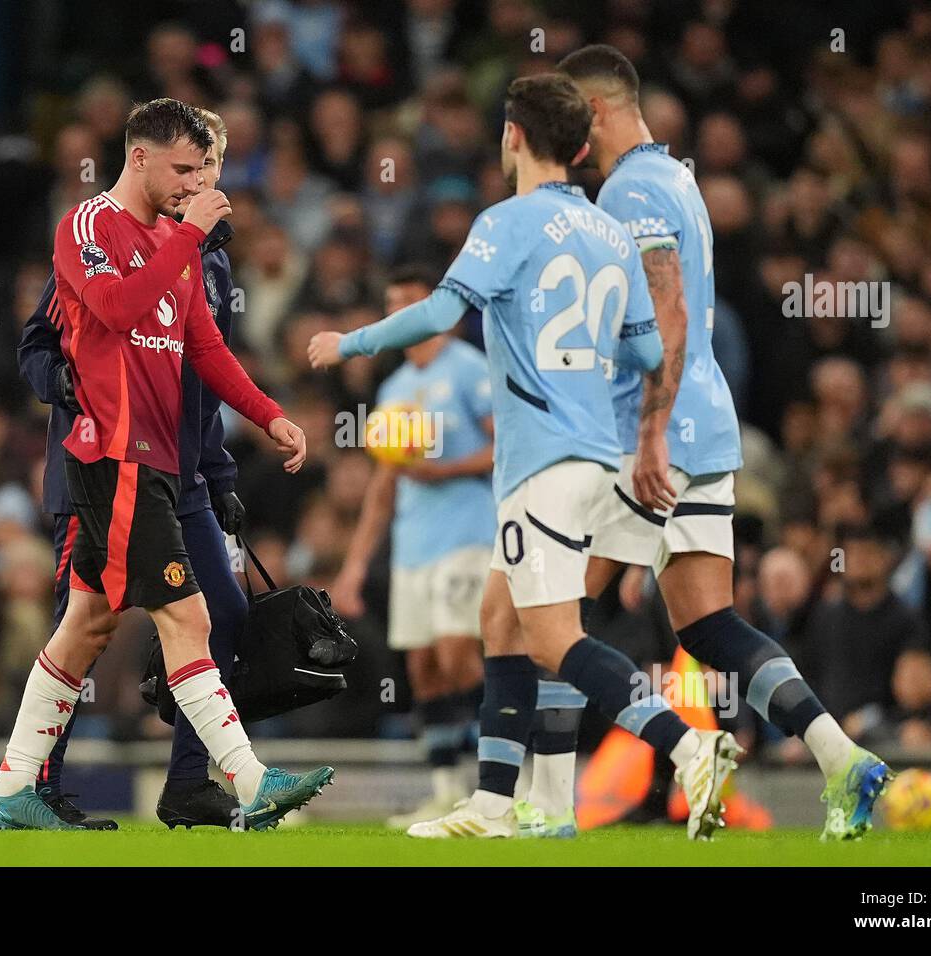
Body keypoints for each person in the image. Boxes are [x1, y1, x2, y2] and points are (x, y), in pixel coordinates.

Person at [310, 74, 740, 840]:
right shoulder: (610, 229)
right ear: (580, 146)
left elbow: (443, 310)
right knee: (499, 617)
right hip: (601, 457)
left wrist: (350, 342)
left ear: (513, 136)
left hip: (542, 460)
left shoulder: (506, 222)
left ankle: (688, 744)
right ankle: (495, 805)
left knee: (550, 637)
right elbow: (647, 349)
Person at [556, 45, 889, 840]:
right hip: (708, 424)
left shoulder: (631, 187)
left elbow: (665, 312)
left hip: (656, 428)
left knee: (553, 614)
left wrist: (646, 433)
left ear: (595, 110)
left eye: (568, 114)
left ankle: (539, 797)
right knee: (708, 628)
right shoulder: (676, 177)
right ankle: (840, 755)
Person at [0, 98, 332, 831]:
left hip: (164, 466)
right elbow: (112, 308)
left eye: (206, 169)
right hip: (114, 457)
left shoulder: (180, 245)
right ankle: (251, 780)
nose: (197, 184)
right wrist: (187, 238)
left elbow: (206, 350)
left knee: (85, 625)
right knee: (189, 615)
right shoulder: (88, 226)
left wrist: (269, 416)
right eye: (184, 168)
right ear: (139, 156)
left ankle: (13, 788)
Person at [329, 264, 494, 827]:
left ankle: (493, 784)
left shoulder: (471, 370)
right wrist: (354, 567)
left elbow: (510, 448)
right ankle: (447, 790)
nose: (400, 311)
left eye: (410, 302)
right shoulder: (395, 389)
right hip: (413, 545)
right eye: (392, 302)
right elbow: (384, 485)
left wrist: (445, 470)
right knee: (423, 667)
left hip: (470, 535)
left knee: (456, 655)